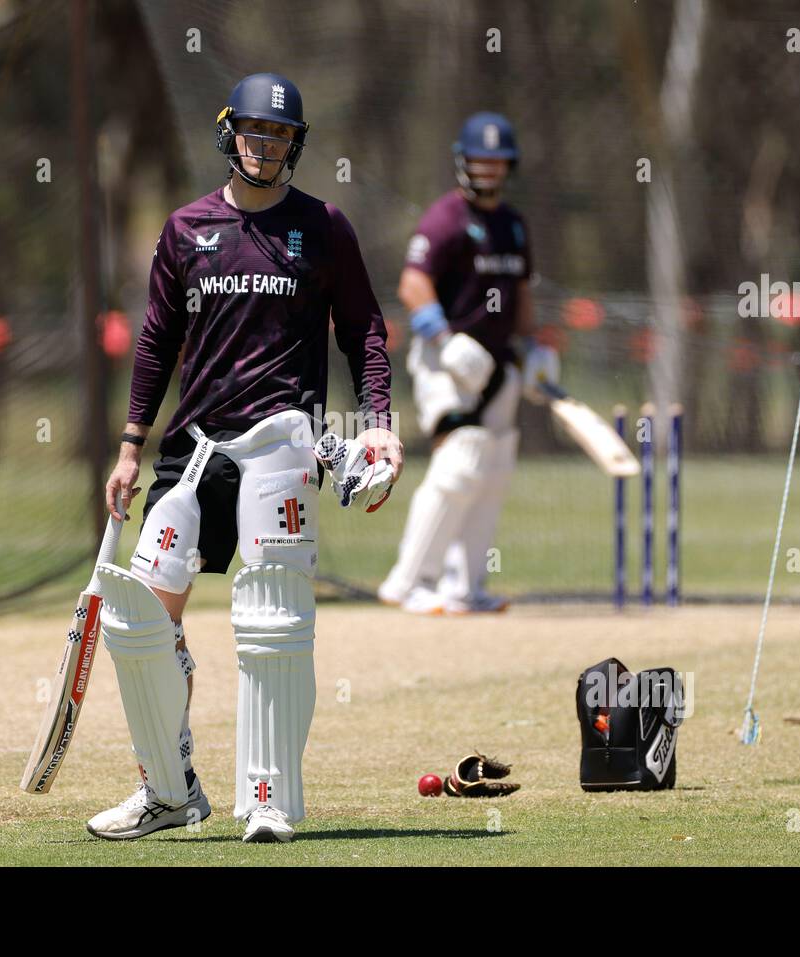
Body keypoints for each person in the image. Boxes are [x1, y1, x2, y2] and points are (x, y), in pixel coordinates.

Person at [92, 73, 403, 844]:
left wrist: (379, 424)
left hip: (282, 445)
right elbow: (158, 340)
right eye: (255, 133)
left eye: (281, 136)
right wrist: (131, 445)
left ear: (295, 146)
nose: (267, 148)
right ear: (228, 134)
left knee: (271, 623)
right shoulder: (185, 229)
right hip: (193, 449)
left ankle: (267, 796)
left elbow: (363, 328)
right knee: (139, 620)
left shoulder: (323, 227)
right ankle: (167, 788)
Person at [378, 112, 559, 615]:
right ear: (463, 161)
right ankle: (409, 580)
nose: (487, 170)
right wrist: (444, 335)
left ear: (509, 168)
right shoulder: (446, 218)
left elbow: (520, 294)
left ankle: (464, 585)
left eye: (496, 162)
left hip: (499, 364)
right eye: (479, 160)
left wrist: (534, 349)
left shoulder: (514, 226)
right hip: (446, 358)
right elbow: (412, 283)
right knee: (461, 460)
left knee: (493, 467)